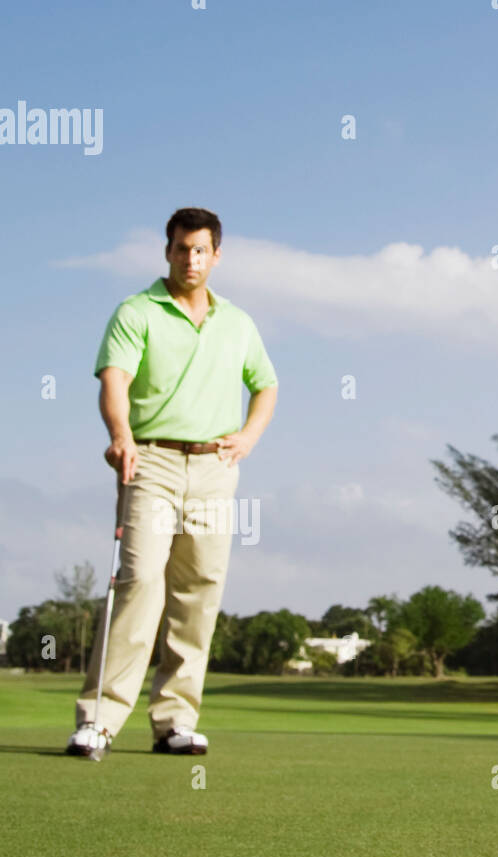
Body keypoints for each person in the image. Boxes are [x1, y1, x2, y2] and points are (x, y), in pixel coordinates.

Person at [67, 208, 277, 760]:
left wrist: (247, 438)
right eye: (182, 249)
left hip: (214, 468)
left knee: (200, 590)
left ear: (217, 256)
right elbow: (115, 379)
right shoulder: (136, 311)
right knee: (139, 581)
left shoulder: (237, 321)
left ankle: (175, 721)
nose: (191, 259)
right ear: (168, 251)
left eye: (201, 250)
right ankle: (100, 719)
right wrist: (121, 435)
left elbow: (266, 385)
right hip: (152, 461)